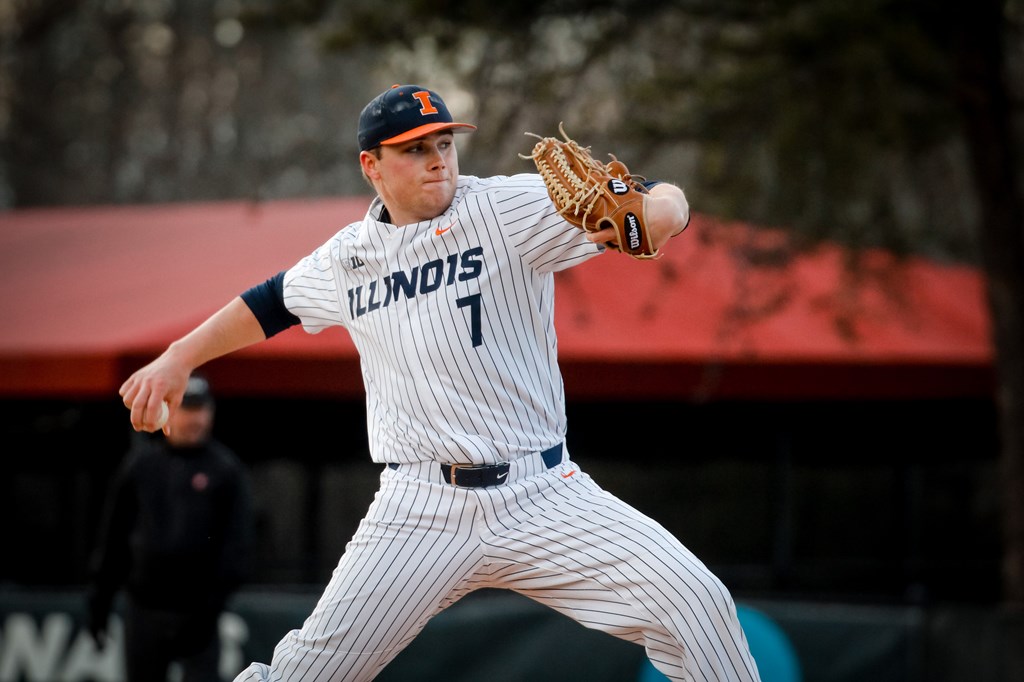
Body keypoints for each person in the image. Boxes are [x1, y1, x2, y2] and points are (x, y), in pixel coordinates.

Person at [118, 83, 760, 682]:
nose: (437, 161)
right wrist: (179, 357)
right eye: (415, 149)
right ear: (371, 166)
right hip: (419, 511)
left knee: (697, 605)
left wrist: (658, 211)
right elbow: (269, 303)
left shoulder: (505, 208)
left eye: (444, 144)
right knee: (308, 673)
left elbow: (659, 204)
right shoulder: (349, 257)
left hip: (544, 493)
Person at [88, 372, 255, 682]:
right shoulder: (141, 467)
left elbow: (237, 547)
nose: (196, 419)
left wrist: (210, 609)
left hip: (199, 612)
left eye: (201, 409)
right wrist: (100, 602)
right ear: (168, 412)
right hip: (144, 608)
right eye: (187, 409)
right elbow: (113, 538)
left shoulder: (225, 470)